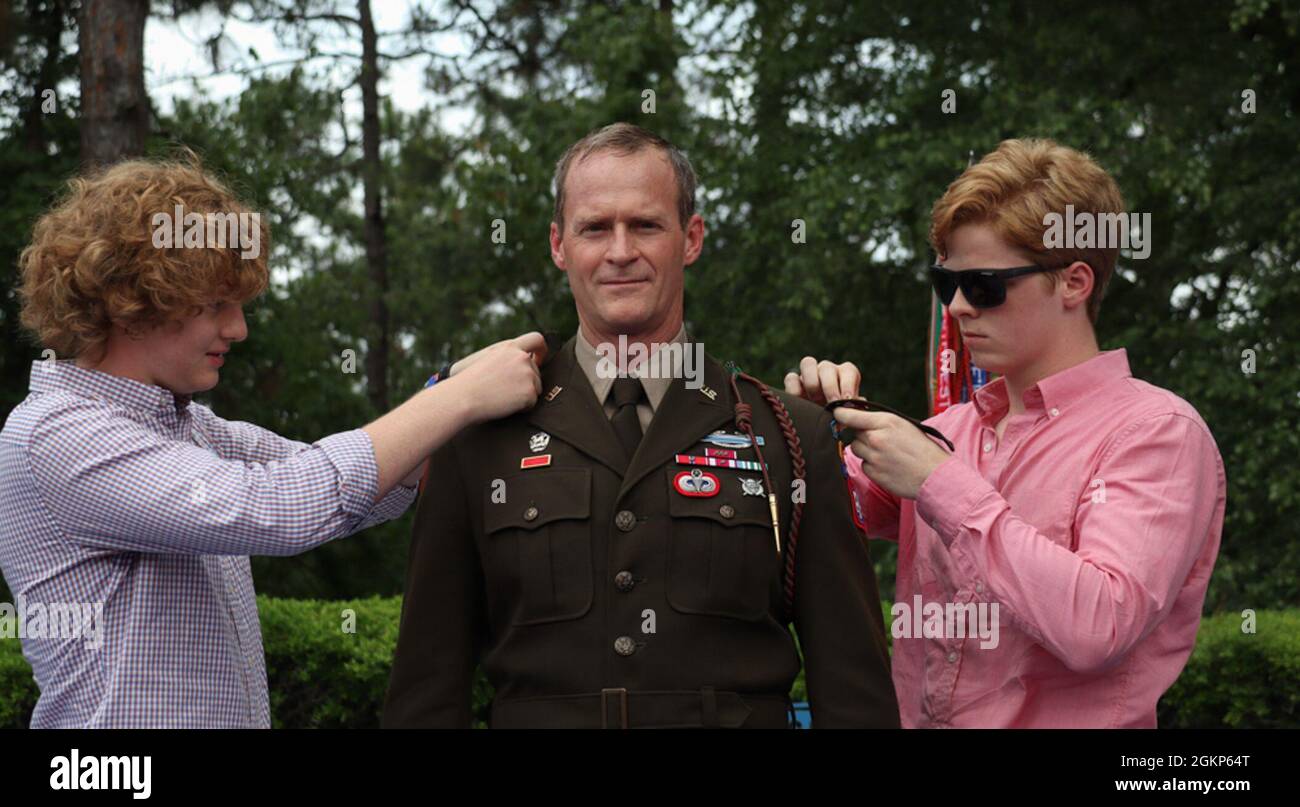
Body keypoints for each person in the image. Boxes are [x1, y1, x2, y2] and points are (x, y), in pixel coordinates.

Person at [383, 123, 899, 729]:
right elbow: (425, 689)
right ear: (558, 244)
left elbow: (854, 689)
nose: (620, 250)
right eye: (595, 227)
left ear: (692, 238)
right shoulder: (476, 436)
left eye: (646, 225)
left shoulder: (790, 436)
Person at [0, 156, 543, 727]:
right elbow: (280, 508)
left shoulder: (189, 428)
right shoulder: (58, 435)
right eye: (215, 305)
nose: (238, 329)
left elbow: (354, 486)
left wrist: (450, 388)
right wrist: (455, 401)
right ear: (130, 306)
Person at [790, 138, 1226, 727]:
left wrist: (942, 485)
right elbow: (799, 525)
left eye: (986, 285)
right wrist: (811, 431)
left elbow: (1099, 624)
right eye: (948, 285)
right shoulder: (945, 433)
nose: (960, 308)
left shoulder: (1157, 434)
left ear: (1075, 282)